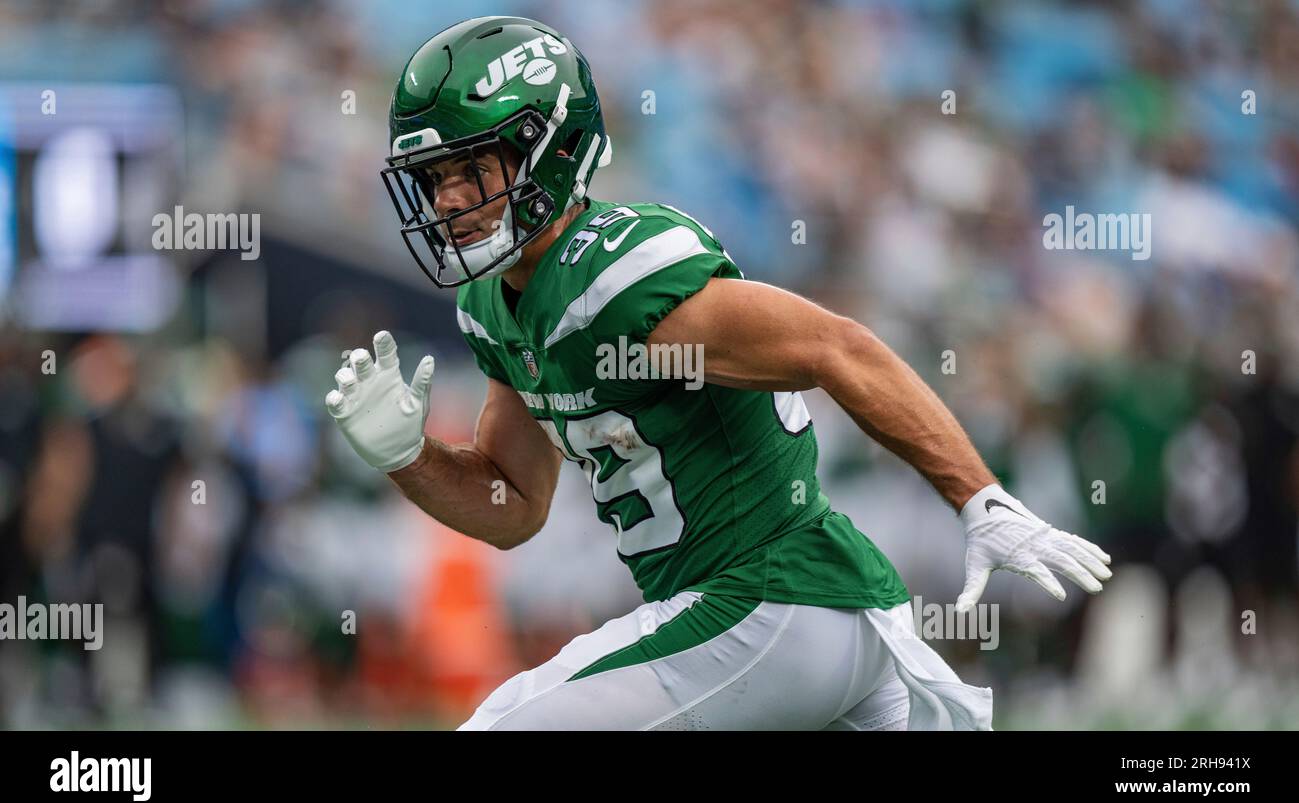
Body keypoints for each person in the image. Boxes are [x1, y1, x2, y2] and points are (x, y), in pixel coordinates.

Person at [325, 15, 1111, 730]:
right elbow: (515, 504)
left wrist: (979, 498)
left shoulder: (616, 270)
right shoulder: (493, 308)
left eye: (473, 167)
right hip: (788, 624)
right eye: (435, 176)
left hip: (770, 597)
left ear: (549, 148)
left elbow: (837, 346)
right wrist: (409, 457)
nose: (450, 197)